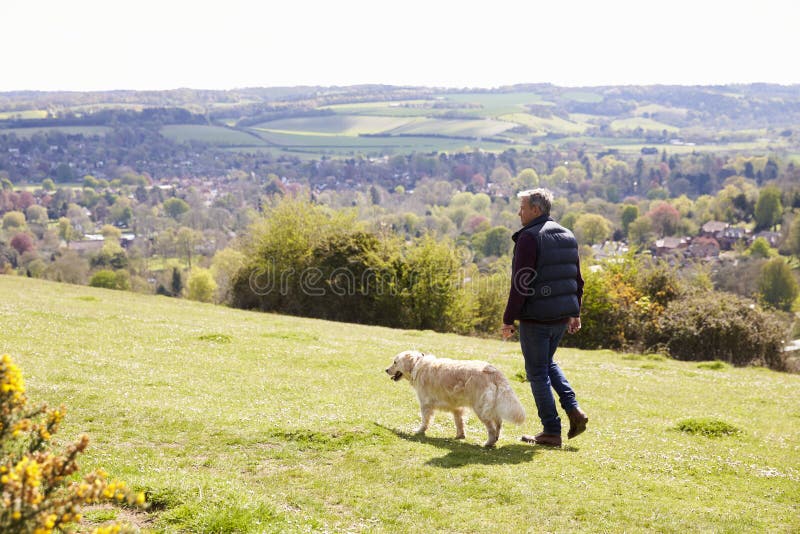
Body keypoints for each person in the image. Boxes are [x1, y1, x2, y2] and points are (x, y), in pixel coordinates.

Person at [501, 188, 588, 447]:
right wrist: (574, 312)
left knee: (537, 372)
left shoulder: (529, 238)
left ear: (536, 210)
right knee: (547, 364)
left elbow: (521, 283)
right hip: (560, 317)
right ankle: (574, 411)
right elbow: (577, 279)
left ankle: (551, 430)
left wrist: (508, 319)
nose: (519, 212)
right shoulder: (567, 235)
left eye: (523, 207)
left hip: (537, 318)